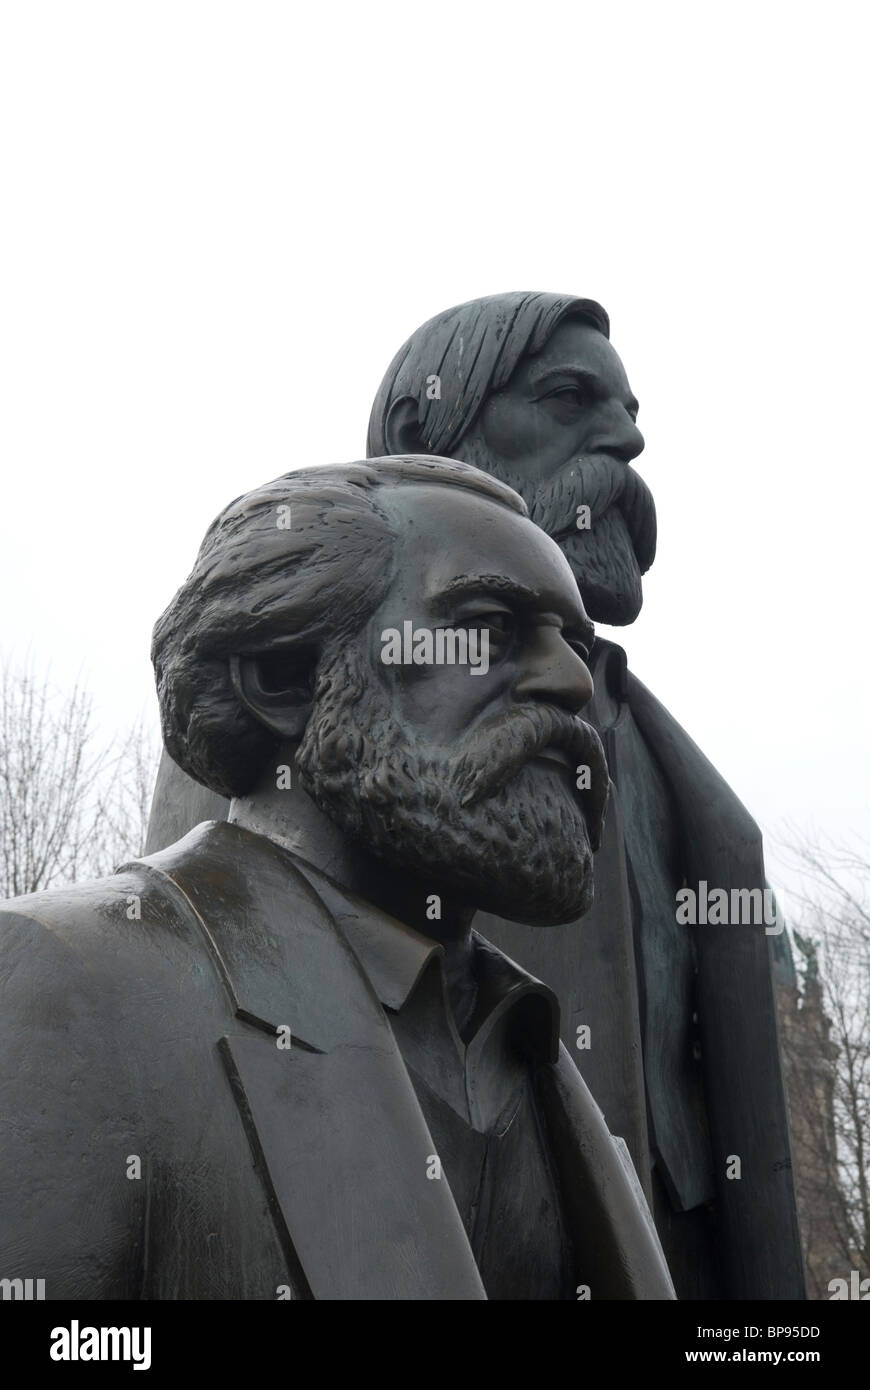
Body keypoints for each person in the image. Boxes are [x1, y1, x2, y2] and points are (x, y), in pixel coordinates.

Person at [0, 455, 674, 1301]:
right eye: (490, 627)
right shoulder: (67, 985)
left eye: (575, 644)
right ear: (282, 678)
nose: (573, 682)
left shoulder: (535, 1054)